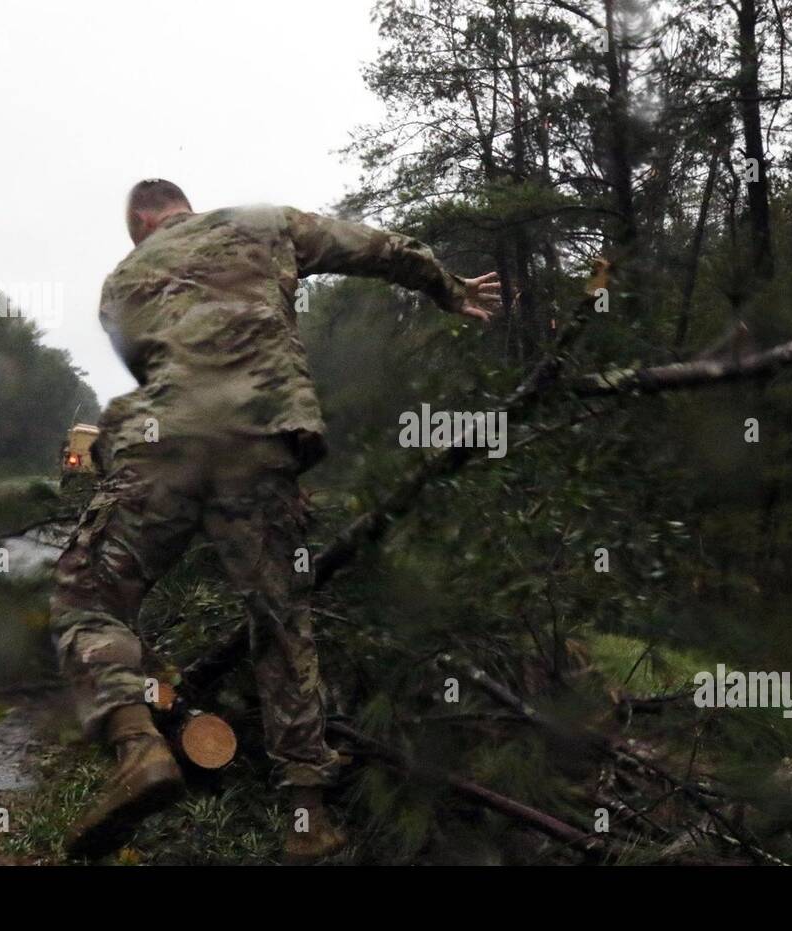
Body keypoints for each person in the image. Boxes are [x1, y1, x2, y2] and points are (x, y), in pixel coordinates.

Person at [53, 180, 500, 861]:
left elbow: (148, 363)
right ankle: (307, 815)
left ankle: (140, 748)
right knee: (281, 617)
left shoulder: (121, 280)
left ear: (141, 222)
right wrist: (446, 286)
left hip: (161, 444)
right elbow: (374, 248)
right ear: (182, 204)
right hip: (263, 442)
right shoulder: (265, 223)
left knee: (89, 597)